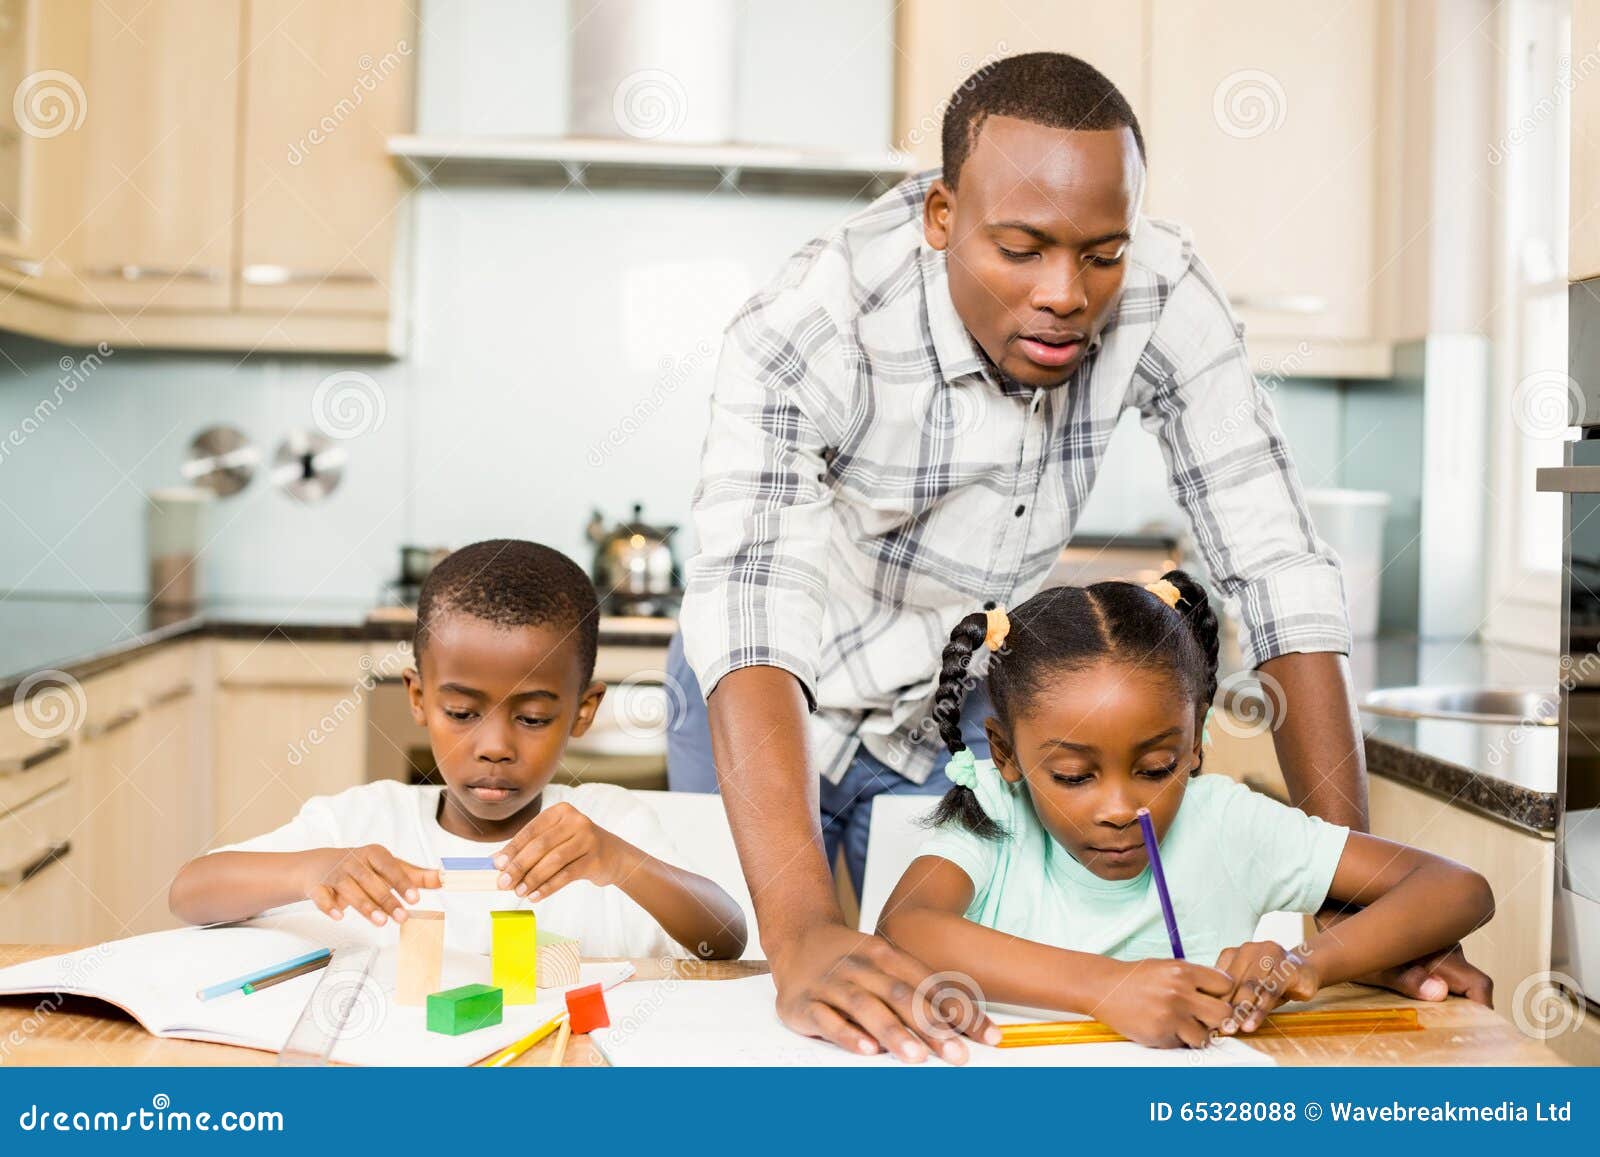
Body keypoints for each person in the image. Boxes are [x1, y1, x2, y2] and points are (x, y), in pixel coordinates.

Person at [670, 51, 1489, 1062]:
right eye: (1020, 249)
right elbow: (751, 605)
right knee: (762, 997)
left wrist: (1351, 912)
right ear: (941, 216)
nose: (1066, 293)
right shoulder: (813, 320)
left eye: (1102, 253)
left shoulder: (1163, 289)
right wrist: (798, 930)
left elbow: (1275, 563)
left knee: (927, 1029)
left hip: (946, 715)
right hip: (771, 701)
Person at [876, 573, 1495, 1049]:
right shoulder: (995, 812)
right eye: (1073, 776)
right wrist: (1106, 986)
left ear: (1195, 741)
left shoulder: (1227, 822)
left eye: (1154, 769)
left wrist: (1308, 964)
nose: (1121, 808)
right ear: (1006, 753)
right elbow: (904, 926)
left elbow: (1457, 889)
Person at [170, 539, 746, 962]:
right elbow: (188, 894)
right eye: (463, 714)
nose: (494, 747)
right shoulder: (363, 821)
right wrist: (308, 869)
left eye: (533, 718)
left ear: (583, 711)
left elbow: (725, 940)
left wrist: (621, 862)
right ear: (419, 699)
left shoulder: (607, 826)